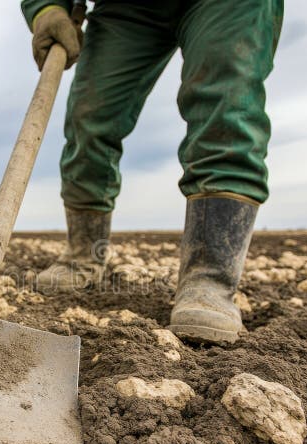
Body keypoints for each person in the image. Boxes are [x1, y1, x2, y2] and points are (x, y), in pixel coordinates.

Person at [21, 0, 283, 344]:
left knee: (227, 102)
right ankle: (84, 256)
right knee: (90, 115)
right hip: (127, 8)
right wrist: (47, 8)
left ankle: (209, 280)